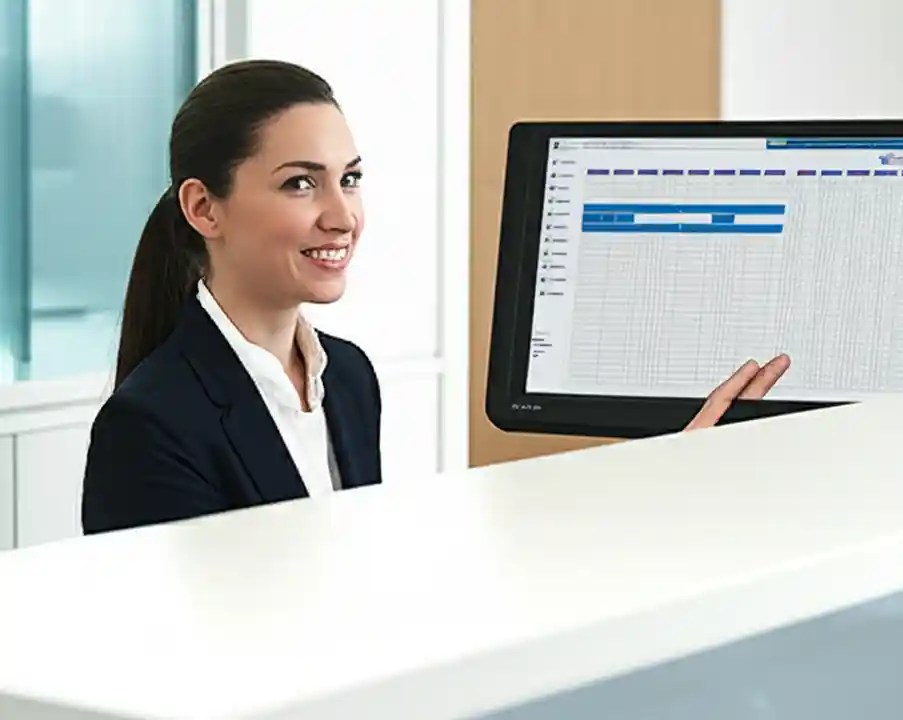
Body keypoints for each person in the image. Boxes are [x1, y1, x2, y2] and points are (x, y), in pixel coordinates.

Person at [81, 59, 789, 535]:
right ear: (205, 208)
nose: (342, 215)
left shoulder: (347, 378)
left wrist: (664, 474)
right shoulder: (149, 426)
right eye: (301, 183)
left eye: (349, 179)